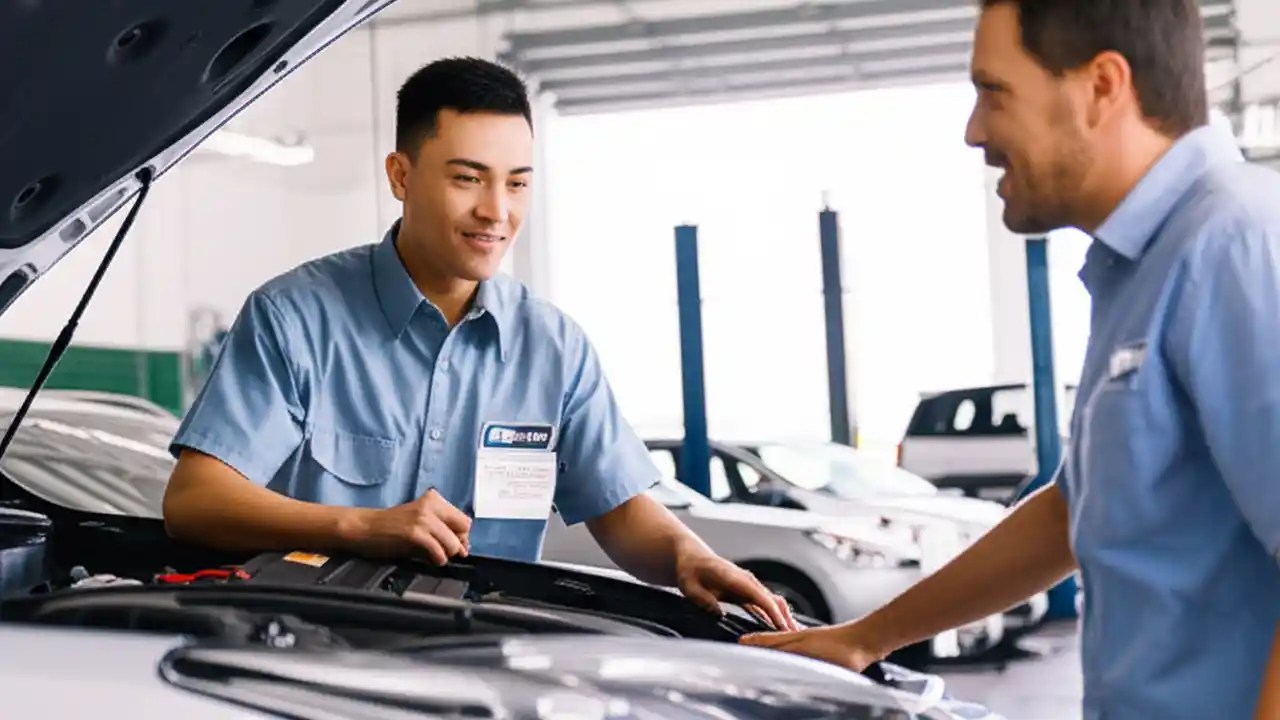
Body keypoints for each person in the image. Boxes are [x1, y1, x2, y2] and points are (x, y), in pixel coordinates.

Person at [742, 1, 1280, 717]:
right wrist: (867, 639)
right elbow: (1072, 509)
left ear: (1100, 88)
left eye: (993, 92)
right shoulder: (1143, 267)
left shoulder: (1237, 247)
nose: (974, 132)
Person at [161, 57, 796, 632]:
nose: (497, 211)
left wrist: (691, 556)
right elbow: (195, 501)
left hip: (480, 663)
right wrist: (360, 526)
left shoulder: (554, 347)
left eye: (517, 184)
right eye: (469, 178)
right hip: (307, 648)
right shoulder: (296, 318)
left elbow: (622, 510)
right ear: (400, 175)